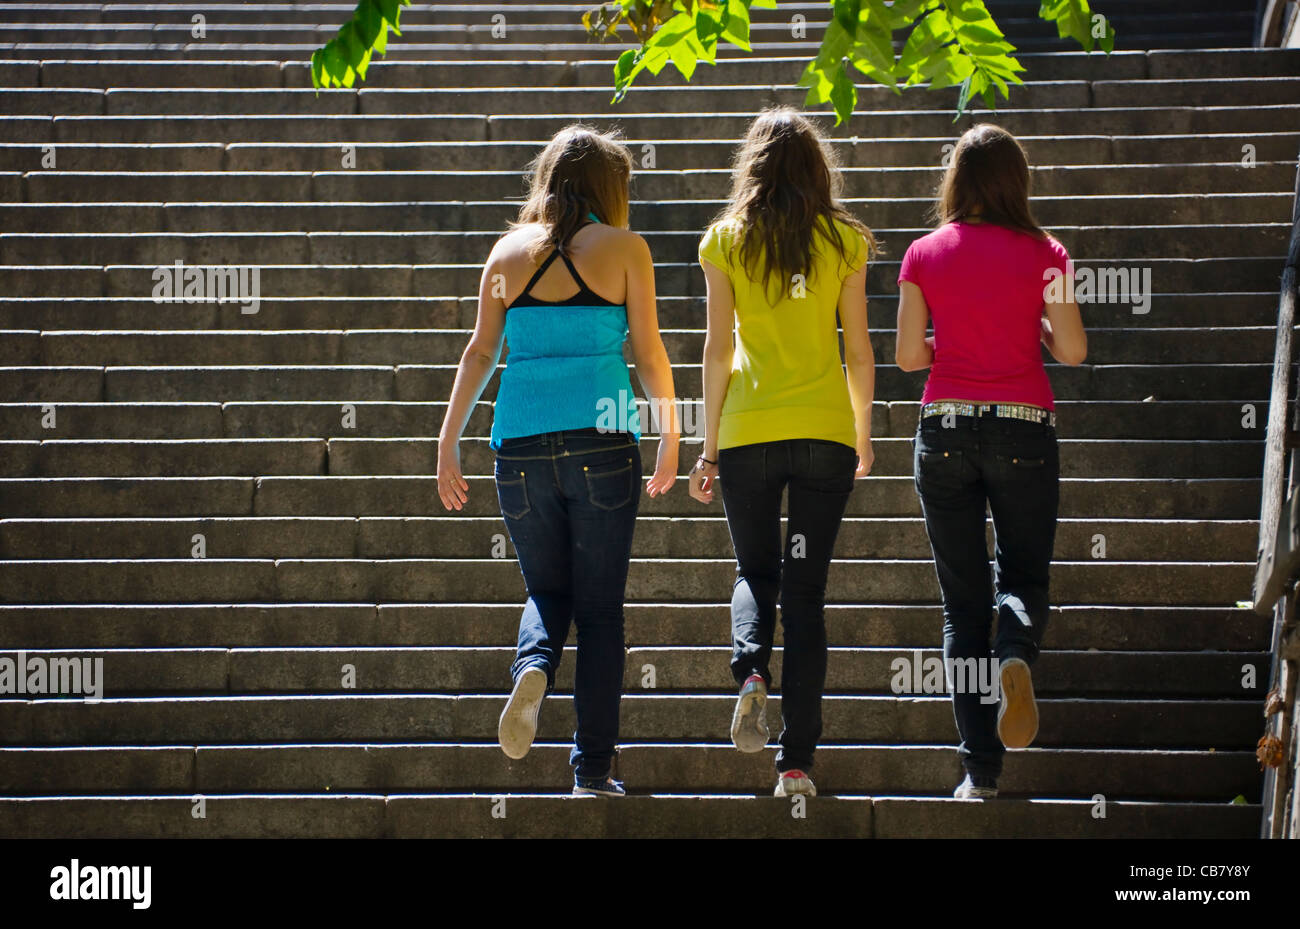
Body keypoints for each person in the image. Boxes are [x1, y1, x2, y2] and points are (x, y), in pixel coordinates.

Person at [437, 124, 680, 797]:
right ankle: (592, 771)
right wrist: (671, 432)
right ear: (610, 188)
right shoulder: (627, 248)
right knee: (600, 609)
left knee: (547, 591)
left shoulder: (505, 254)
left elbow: (479, 353)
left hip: (517, 444)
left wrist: (448, 438)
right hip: (602, 441)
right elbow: (650, 352)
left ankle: (533, 669)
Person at [688, 107, 877, 798]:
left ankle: (753, 673)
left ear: (753, 166)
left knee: (754, 569)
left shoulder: (725, 239)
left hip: (746, 430)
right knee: (805, 594)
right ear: (818, 168)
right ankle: (796, 764)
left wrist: (708, 450)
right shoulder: (845, 242)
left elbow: (713, 351)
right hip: (824, 431)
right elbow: (858, 349)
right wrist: (861, 431)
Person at [895, 123, 1087, 800]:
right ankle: (1015, 654)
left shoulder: (923, 252)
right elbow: (1071, 351)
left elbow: (910, 357)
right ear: (1017, 180)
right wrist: (1030, 324)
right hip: (1024, 429)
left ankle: (980, 773)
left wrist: (952, 331)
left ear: (956, 180)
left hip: (944, 427)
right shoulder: (1047, 253)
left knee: (962, 605)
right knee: (1025, 573)